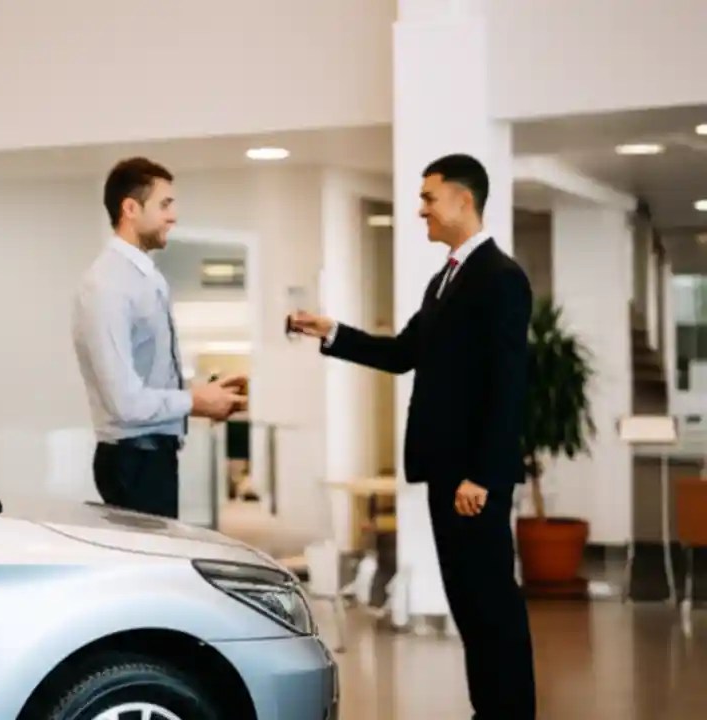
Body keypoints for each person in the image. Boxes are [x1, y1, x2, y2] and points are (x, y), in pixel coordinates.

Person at [289, 153, 537, 719]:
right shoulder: (445, 279)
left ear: (462, 200)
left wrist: (485, 473)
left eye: (428, 197)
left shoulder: (500, 278)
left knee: (493, 607)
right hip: (447, 472)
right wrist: (334, 333)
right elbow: (404, 353)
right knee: (470, 608)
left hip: (474, 479)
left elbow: (508, 386)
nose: (420, 208)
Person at [71, 157, 246, 519]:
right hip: (132, 461)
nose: (173, 216)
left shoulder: (145, 277)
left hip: (153, 457)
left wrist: (206, 394)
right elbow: (124, 402)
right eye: (164, 204)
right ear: (130, 208)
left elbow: (149, 376)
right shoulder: (107, 285)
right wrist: (194, 401)